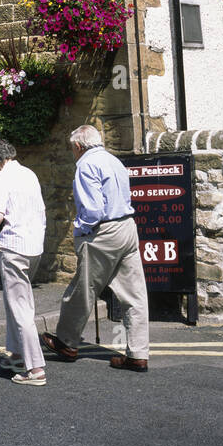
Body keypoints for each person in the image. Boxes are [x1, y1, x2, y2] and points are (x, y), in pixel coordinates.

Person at [42, 125, 151, 372]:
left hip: (104, 231)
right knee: (135, 296)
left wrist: (80, 229)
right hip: (127, 228)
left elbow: (92, 210)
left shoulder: (85, 164)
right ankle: (138, 354)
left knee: (82, 290)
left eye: (72, 149)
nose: (73, 153)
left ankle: (67, 343)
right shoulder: (115, 161)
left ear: (79, 146)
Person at [0, 136, 48, 386]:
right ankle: (18, 356)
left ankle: (36, 369)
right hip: (34, 248)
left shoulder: (0, 178)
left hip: (13, 248)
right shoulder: (29, 174)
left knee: (20, 309)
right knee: (15, 303)